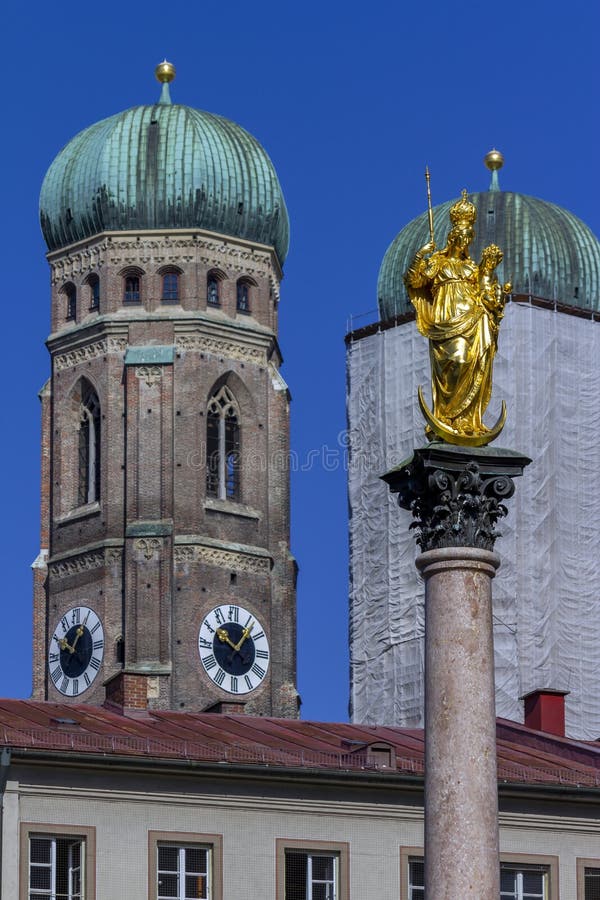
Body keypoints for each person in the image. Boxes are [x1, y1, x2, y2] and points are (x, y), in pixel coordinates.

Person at [404, 191, 508, 439]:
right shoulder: (438, 264)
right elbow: (414, 280)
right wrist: (421, 254)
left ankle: (467, 420)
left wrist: (493, 302)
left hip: (472, 320)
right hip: (446, 321)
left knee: (473, 362)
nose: (464, 244)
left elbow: (484, 291)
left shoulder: (472, 267)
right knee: (456, 361)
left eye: (468, 240)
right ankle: (446, 416)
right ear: (452, 238)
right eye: (460, 239)